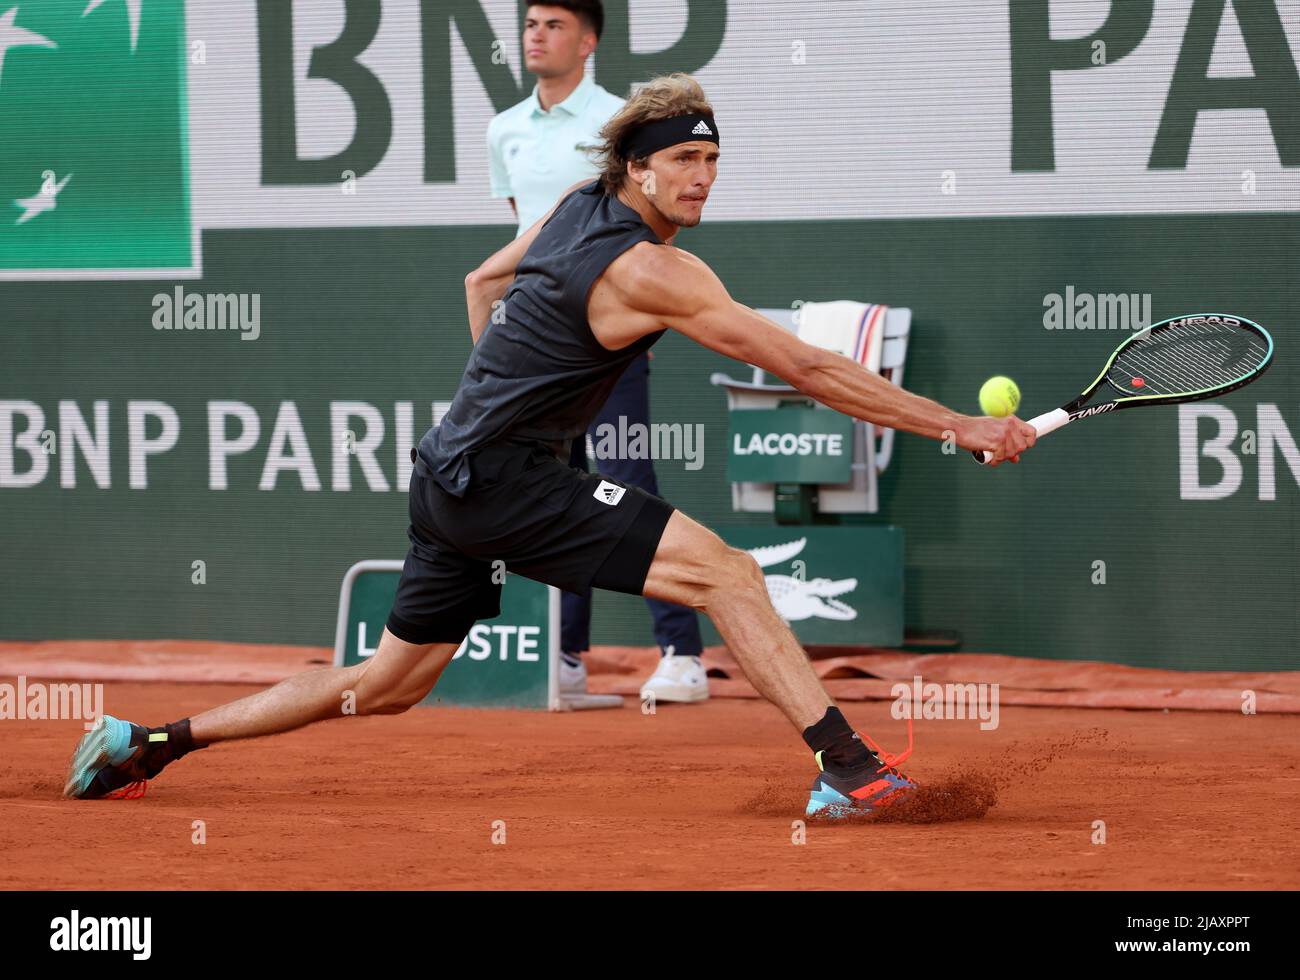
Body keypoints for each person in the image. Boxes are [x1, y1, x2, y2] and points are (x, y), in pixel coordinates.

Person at [64, 74, 1035, 818]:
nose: (701, 178)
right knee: (730, 574)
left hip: (450, 469)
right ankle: (847, 768)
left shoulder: (573, 206)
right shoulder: (656, 269)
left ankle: (144, 741)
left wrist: (506, 391)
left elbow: (483, 283)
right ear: (638, 168)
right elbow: (809, 369)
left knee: (383, 686)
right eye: (684, 161)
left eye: (713, 162)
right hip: (502, 481)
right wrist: (958, 424)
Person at [487, 0, 707, 703]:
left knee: (626, 476)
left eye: (553, 25)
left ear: (588, 41)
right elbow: (526, 239)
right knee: (550, 490)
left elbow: (652, 221)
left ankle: (682, 655)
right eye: (530, 24)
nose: (537, 35)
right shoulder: (504, 130)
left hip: (610, 338)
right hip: (538, 347)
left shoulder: (623, 126)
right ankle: (566, 656)